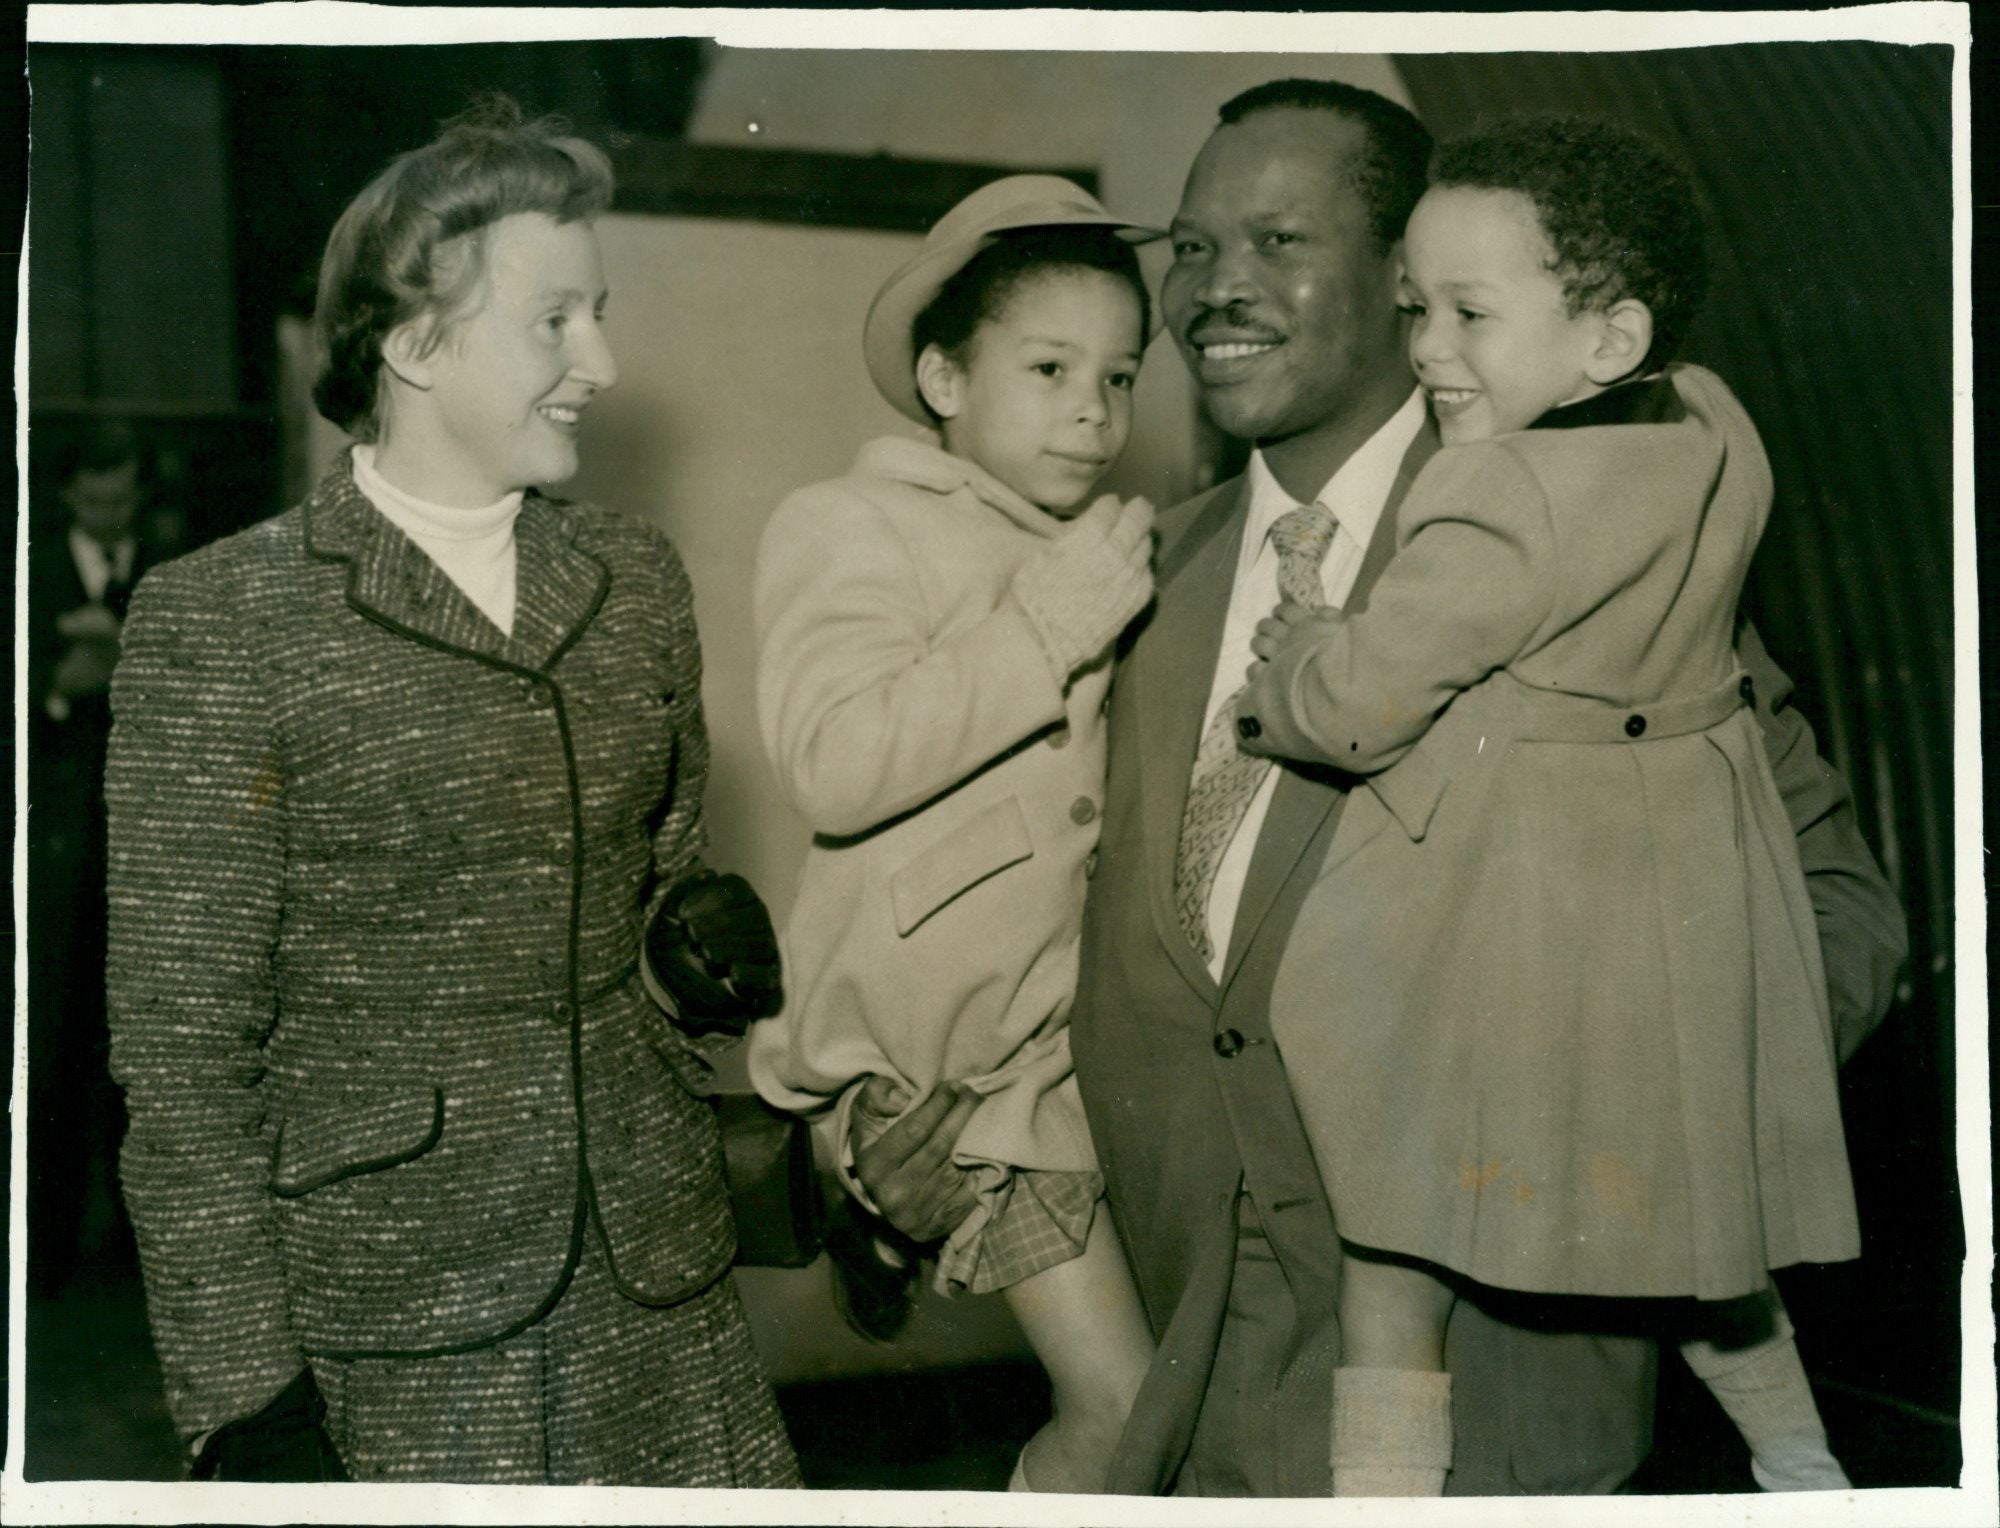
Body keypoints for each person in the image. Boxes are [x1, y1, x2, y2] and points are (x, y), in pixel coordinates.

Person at [852, 79, 1906, 1497]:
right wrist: (884, 1163)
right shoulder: (1123, 576)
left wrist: (1617, 1105)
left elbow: (1834, 910)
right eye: (1194, 248)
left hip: (1498, 1441)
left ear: (1408, 274)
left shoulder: (1582, 532)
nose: (1215, 291)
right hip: (1179, 1434)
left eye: (1278, 241)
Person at [105, 101, 798, 1486]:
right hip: (401, 1321)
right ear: (412, 341)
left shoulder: (636, 578)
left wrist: (692, 963)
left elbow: (665, 875)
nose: (600, 364)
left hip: (659, 1280)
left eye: (597, 316)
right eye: (555, 322)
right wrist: (247, 1396)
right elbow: (183, 1068)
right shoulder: (223, 619)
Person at [1238, 114, 1857, 1496]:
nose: (1427, 350)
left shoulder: (1496, 491)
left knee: (1391, 1251)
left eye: (1468, 314)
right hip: (1669, 919)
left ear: (1608, 341)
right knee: (1708, 1240)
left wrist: (1290, 661)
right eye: (1418, 308)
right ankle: (1806, 1467)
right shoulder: (1711, 432)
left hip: (1502, 922)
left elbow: (1358, 708)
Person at [747, 176, 1159, 1493]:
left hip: (1059, 1060)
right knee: (1127, 1412)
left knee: (1141, 1414)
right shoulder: (850, 523)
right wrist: (1046, 628)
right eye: (1048, 367)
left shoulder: (1095, 551)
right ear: (941, 376)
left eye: (1119, 375)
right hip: (945, 1072)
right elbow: (835, 764)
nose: (1092, 410)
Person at [26, 421, 156, 1295]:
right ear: (71, 496)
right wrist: (55, 691)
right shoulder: (31, 576)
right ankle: (46, 1247)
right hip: (60, 854)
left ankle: (134, 1249)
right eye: (96, 499)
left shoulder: (165, 577)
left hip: (146, 844)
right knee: (61, 1038)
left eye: (123, 498)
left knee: (143, 1043)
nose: (111, 514)